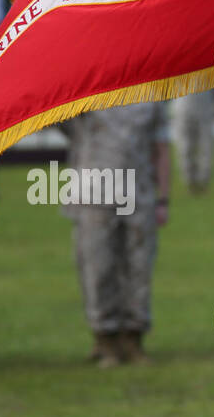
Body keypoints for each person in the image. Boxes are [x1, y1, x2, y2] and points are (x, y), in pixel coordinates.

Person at [61, 101, 171, 365]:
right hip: (93, 197)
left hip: (139, 194)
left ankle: (133, 339)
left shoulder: (151, 97)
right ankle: (105, 338)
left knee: (139, 268)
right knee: (97, 267)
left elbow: (161, 148)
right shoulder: (85, 96)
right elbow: (50, 113)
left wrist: (163, 198)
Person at [171, 87, 214, 195]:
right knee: (185, 148)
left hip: (205, 107)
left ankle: (204, 182)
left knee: (207, 146)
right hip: (182, 107)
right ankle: (190, 182)